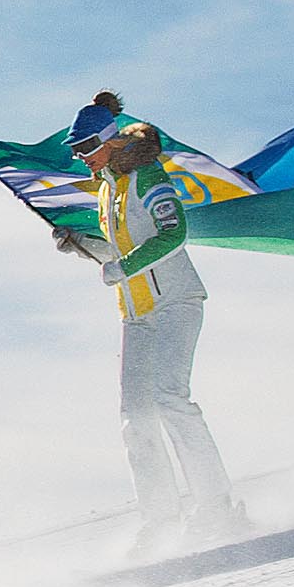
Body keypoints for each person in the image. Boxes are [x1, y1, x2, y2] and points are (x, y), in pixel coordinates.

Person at [61, 104, 241, 550]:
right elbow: (119, 254)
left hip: (176, 302)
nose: (81, 156)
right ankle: (159, 521)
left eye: (86, 147)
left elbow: (172, 233)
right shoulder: (107, 192)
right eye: (77, 150)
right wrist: (84, 245)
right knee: (136, 419)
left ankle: (217, 507)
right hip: (137, 313)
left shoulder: (148, 179)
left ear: (109, 141)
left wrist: (123, 266)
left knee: (169, 400)